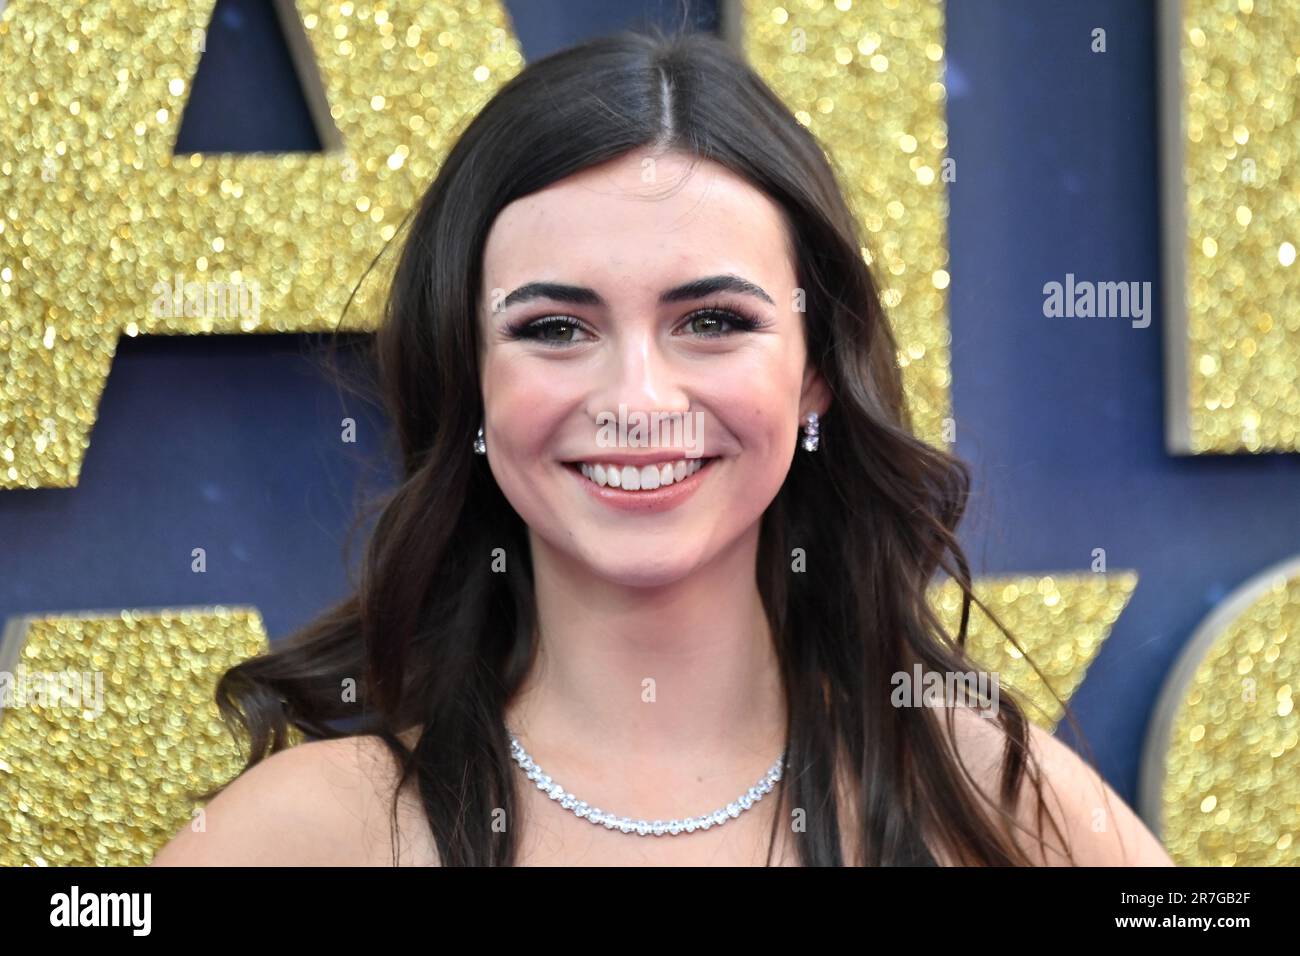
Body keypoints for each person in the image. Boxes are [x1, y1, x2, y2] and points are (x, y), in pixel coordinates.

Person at [152, 26, 1174, 867]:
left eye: (714, 320)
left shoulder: (978, 793)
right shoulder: (307, 835)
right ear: (469, 380)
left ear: (815, 368)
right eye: (554, 327)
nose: (637, 398)